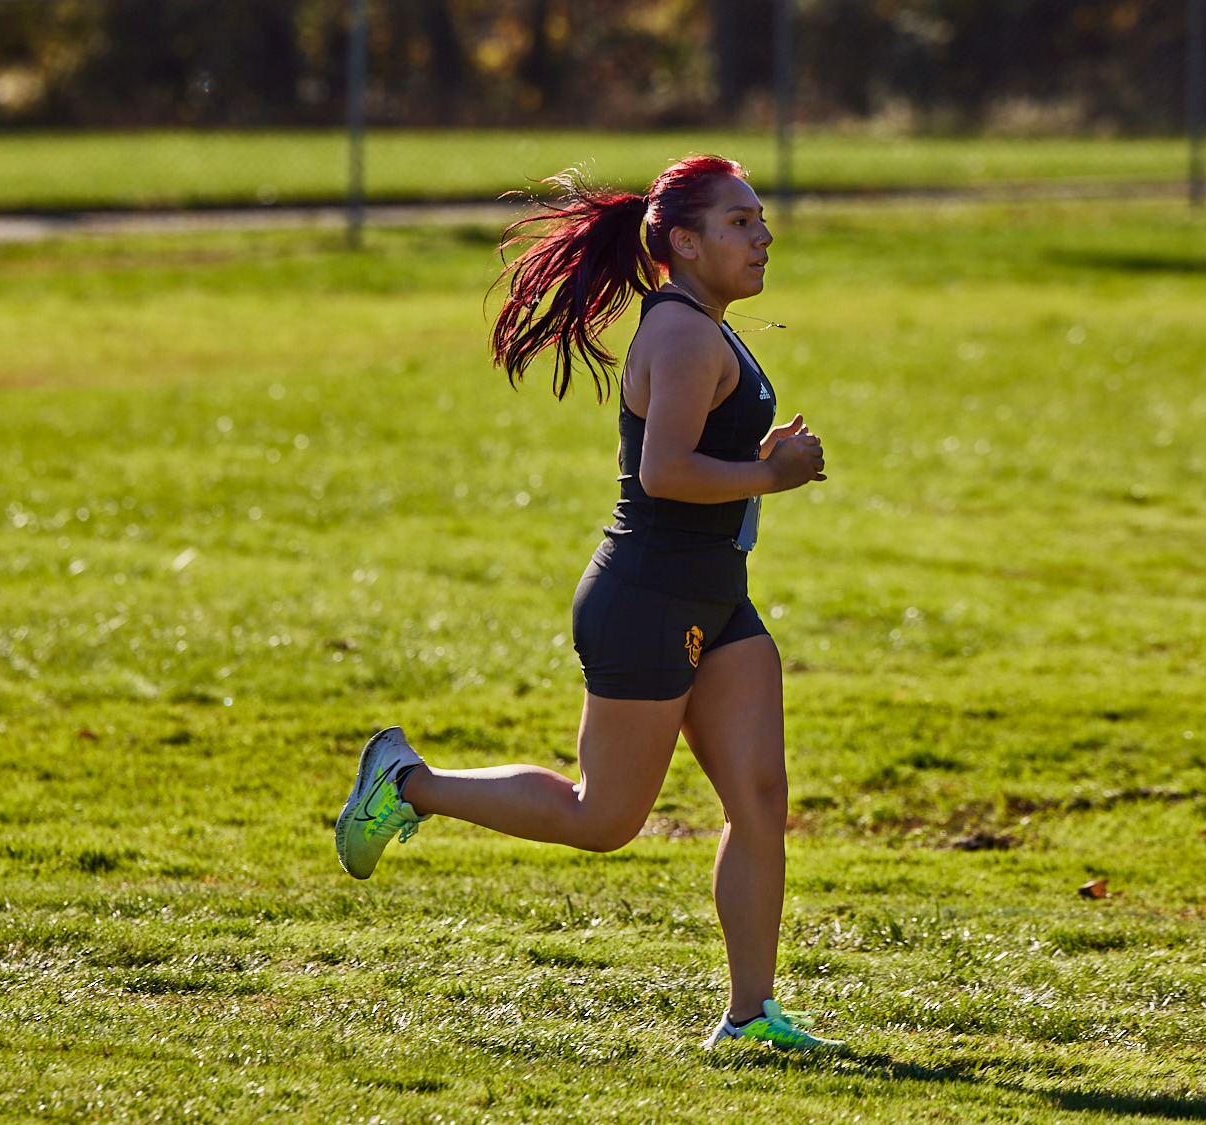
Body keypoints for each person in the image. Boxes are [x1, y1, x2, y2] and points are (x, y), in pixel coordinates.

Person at [334, 155, 837, 1051]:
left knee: (759, 797)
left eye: (762, 219)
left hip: (716, 597)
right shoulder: (683, 334)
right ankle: (406, 782)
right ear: (683, 242)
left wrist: (758, 454)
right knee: (602, 816)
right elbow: (664, 472)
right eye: (740, 222)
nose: (763, 236)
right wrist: (770, 471)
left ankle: (752, 1016)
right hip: (648, 597)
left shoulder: (710, 325)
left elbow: (694, 451)